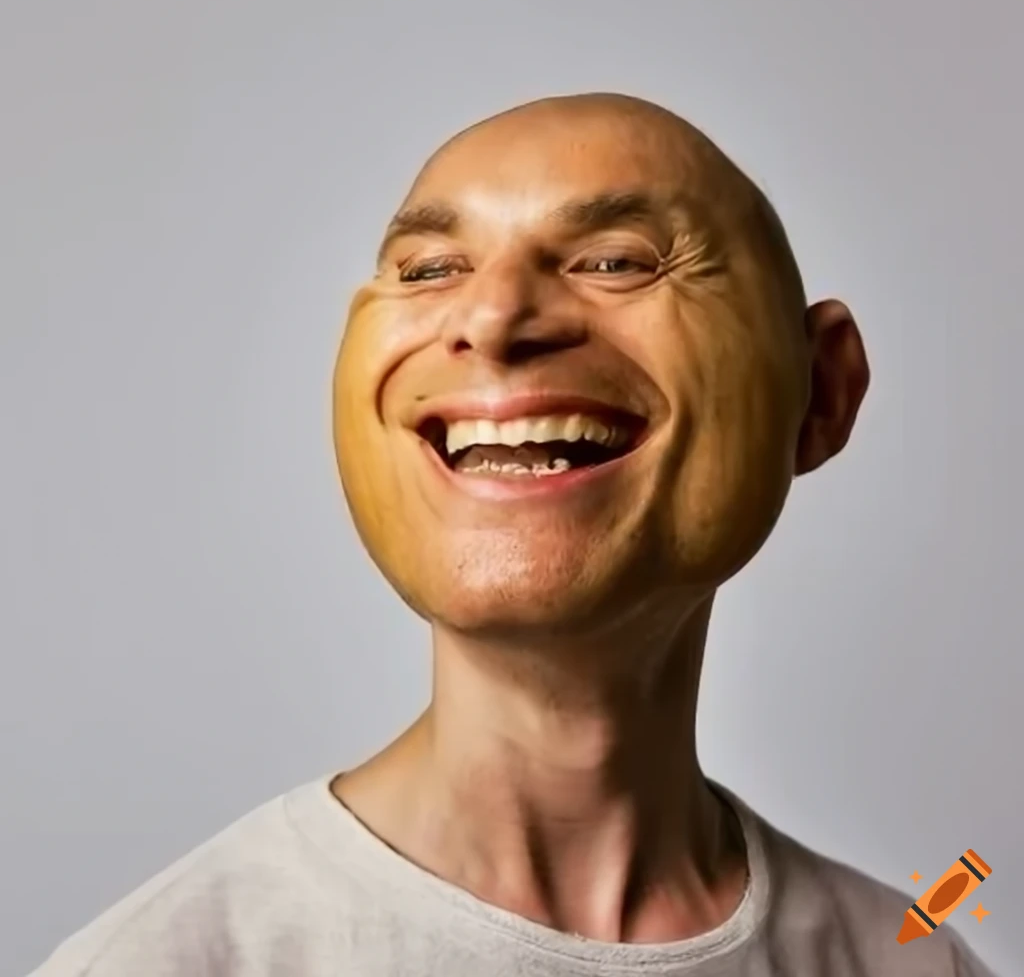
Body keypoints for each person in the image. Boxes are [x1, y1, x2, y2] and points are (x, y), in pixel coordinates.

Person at [30, 93, 997, 976]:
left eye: (615, 260)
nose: (490, 318)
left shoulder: (908, 959)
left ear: (822, 393)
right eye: (429, 269)